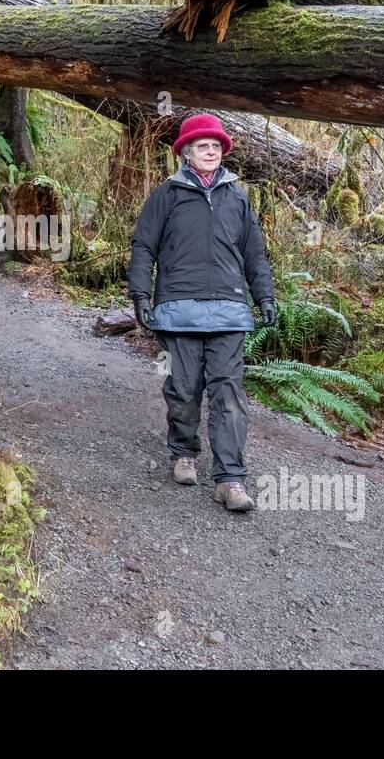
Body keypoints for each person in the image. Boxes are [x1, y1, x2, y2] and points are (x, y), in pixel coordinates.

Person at [127, 113, 278, 512]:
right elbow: (144, 247)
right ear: (187, 153)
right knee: (182, 387)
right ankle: (184, 453)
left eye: (216, 146)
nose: (210, 151)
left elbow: (254, 254)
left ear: (222, 152)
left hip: (229, 311)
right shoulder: (166, 195)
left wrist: (264, 297)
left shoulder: (238, 197)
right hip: (177, 309)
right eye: (202, 146)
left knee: (228, 393)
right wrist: (141, 295)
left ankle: (230, 479)